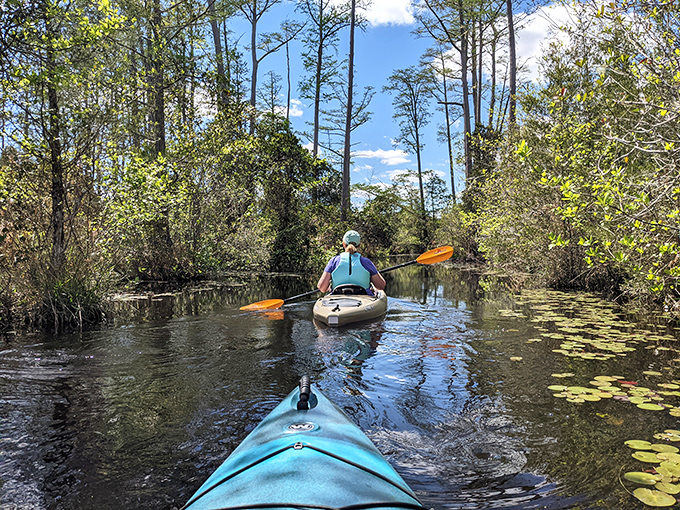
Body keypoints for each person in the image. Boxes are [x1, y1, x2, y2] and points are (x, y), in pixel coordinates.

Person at [317, 230, 386, 296]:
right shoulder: (366, 262)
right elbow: (381, 286)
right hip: (364, 298)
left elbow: (322, 287)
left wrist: (329, 288)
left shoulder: (333, 261)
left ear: (344, 244)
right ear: (359, 245)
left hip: (337, 297)